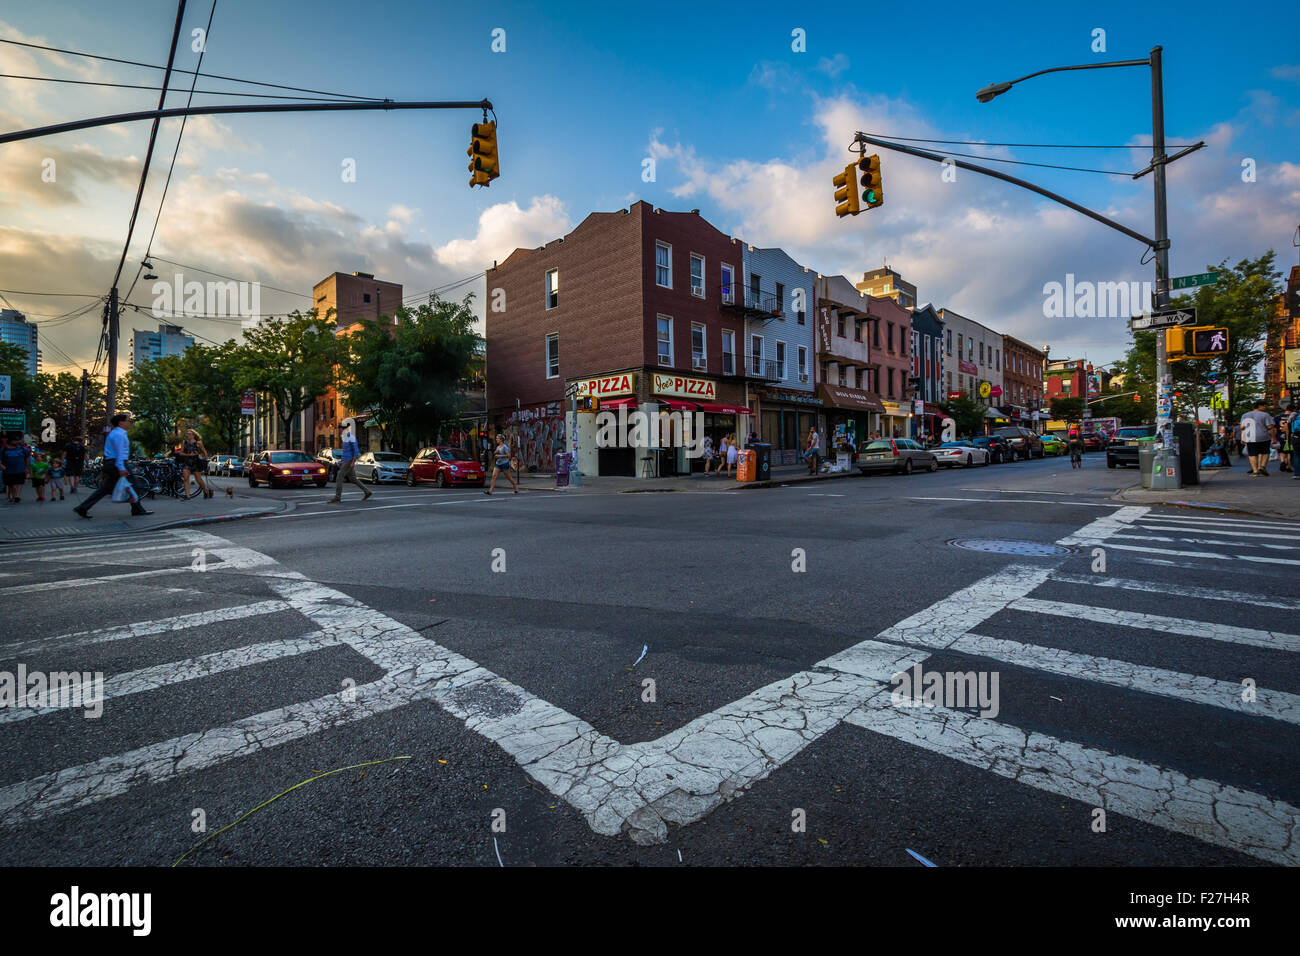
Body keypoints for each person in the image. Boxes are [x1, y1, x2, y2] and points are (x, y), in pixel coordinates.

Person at [74, 414, 152, 517]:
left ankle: (83, 507)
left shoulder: (116, 433)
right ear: (121, 422)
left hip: (112, 463)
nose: (130, 423)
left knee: (106, 488)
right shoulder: (119, 435)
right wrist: (121, 468)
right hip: (117, 463)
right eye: (128, 420)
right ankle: (137, 509)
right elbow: (119, 452)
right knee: (133, 485)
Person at [329, 419, 372, 503]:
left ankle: (337, 497)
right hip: (345, 460)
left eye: (340, 429)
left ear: (343, 429)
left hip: (349, 461)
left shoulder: (351, 437)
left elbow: (356, 451)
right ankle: (367, 492)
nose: (339, 430)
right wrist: (341, 460)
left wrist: (353, 462)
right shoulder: (344, 438)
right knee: (353, 479)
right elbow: (345, 451)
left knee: (339, 477)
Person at [1241, 400, 1276, 477]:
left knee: (1252, 453)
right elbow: (1270, 426)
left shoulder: (1245, 415)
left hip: (1250, 437)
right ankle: (1262, 466)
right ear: (1260, 406)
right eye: (1264, 406)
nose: (1265, 407)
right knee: (1265, 452)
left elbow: (1242, 427)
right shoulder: (1265, 415)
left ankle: (1255, 471)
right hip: (1263, 436)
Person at [177, 428, 213, 498]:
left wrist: (206, 460)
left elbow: (204, 452)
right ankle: (187, 496)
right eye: (187, 434)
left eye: (189, 434)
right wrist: (188, 455)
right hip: (187, 462)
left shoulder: (198, 443)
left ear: (193, 435)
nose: (187, 435)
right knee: (186, 478)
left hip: (196, 463)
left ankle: (205, 490)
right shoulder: (184, 442)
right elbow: (181, 453)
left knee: (198, 479)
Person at [2, 433, 29, 503]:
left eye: (18, 440)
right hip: (8, 470)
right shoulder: (4, 450)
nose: (17, 442)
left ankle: (17, 496)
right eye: (15, 440)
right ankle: (13, 496)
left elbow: (27, 458)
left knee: (19, 483)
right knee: (11, 484)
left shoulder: (23, 449)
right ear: (11, 441)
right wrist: (1, 466)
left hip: (20, 469)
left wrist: (27, 468)